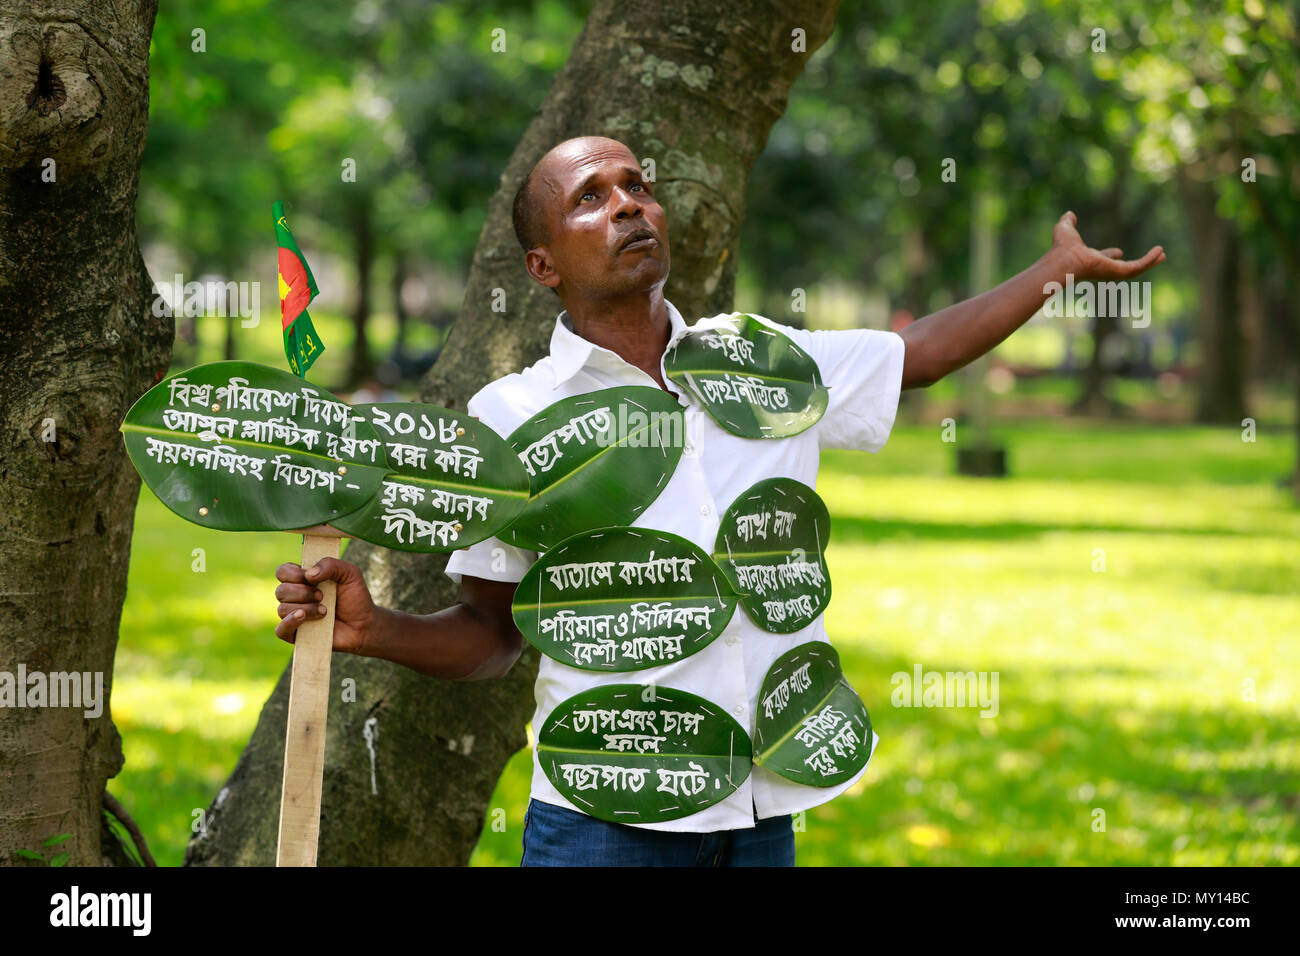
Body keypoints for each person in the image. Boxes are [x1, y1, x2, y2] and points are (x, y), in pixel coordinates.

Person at [272, 135, 1165, 866]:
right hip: (601, 826)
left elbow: (916, 353)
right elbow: (495, 634)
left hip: (756, 807)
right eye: (592, 197)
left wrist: (1055, 271)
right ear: (543, 265)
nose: (628, 205)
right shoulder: (515, 415)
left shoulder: (762, 364)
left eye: (638, 186)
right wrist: (373, 630)